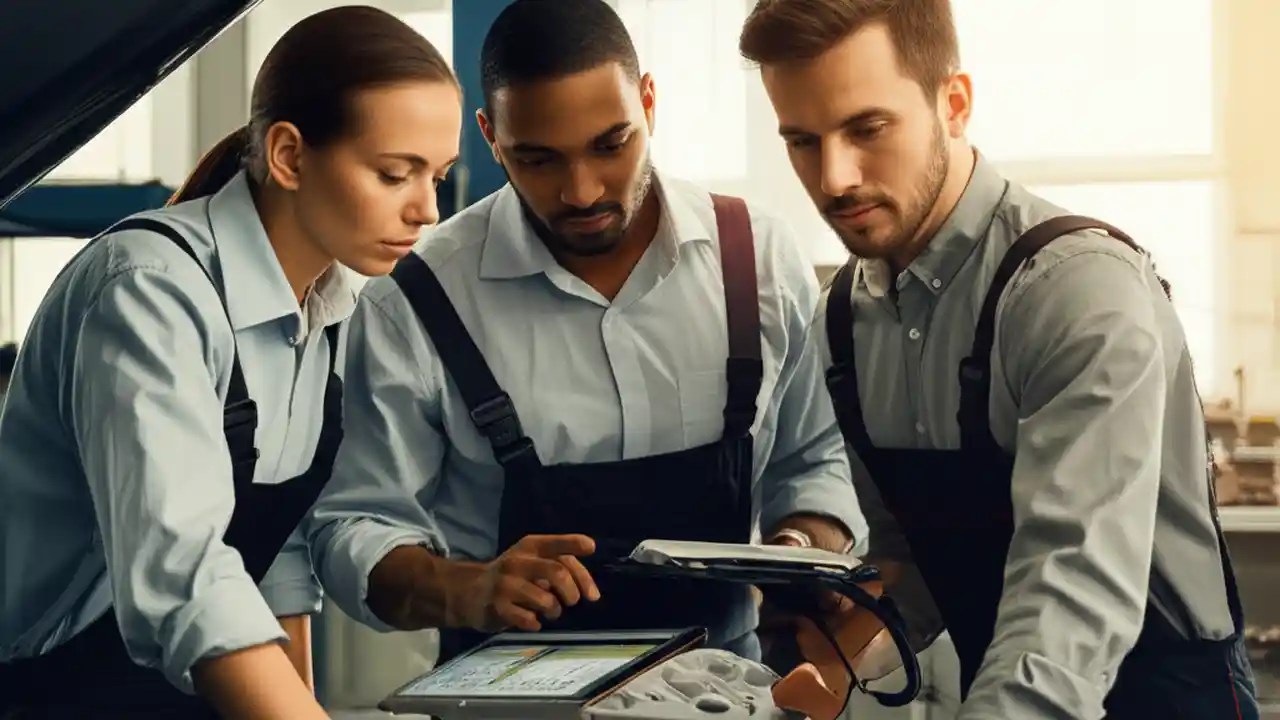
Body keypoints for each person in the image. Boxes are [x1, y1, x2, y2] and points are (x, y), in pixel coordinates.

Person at [738, 0, 1259, 718]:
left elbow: (1070, 596)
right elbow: (912, 562)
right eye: (801, 140)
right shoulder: (844, 319)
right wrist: (823, 664)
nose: (833, 178)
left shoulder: (1078, 291)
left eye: (867, 128)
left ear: (953, 103)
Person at [305, 0, 865, 667]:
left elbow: (815, 460)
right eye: (538, 159)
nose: (581, 191)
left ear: (649, 104)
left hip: (726, 690)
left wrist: (801, 548)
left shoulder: (759, 259)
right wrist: (467, 588)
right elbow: (353, 526)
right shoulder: (414, 301)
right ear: (490, 136)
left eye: (611, 144)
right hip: (504, 705)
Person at [0, 7, 461, 718]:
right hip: (50, 693)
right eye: (396, 174)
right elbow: (184, 576)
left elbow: (268, 561)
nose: (427, 210)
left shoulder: (330, 307)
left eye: (438, 175)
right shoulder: (148, 293)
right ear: (287, 156)